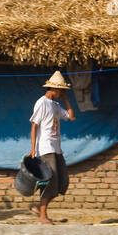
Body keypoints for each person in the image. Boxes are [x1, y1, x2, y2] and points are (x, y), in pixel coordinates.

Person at [28, 70, 76, 224]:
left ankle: (37, 207)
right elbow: (34, 126)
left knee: (62, 183)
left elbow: (71, 117)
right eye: (61, 90)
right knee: (50, 182)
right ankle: (43, 216)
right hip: (45, 148)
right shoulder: (41, 102)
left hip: (56, 149)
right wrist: (34, 149)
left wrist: (66, 99)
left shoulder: (55, 105)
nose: (62, 93)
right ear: (53, 89)